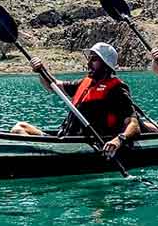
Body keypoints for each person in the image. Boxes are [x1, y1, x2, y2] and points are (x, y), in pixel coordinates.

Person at [11, 42, 140, 157]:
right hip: (66, 139)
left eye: (94, 59)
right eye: (89, 58)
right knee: (19, 128)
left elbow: (133, 124)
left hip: (88, 144)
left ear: (106, 65)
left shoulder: (117, 89)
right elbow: (53, 85)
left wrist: (118, 140)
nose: (89, 63)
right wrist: (40, 70)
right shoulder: (84, 83)